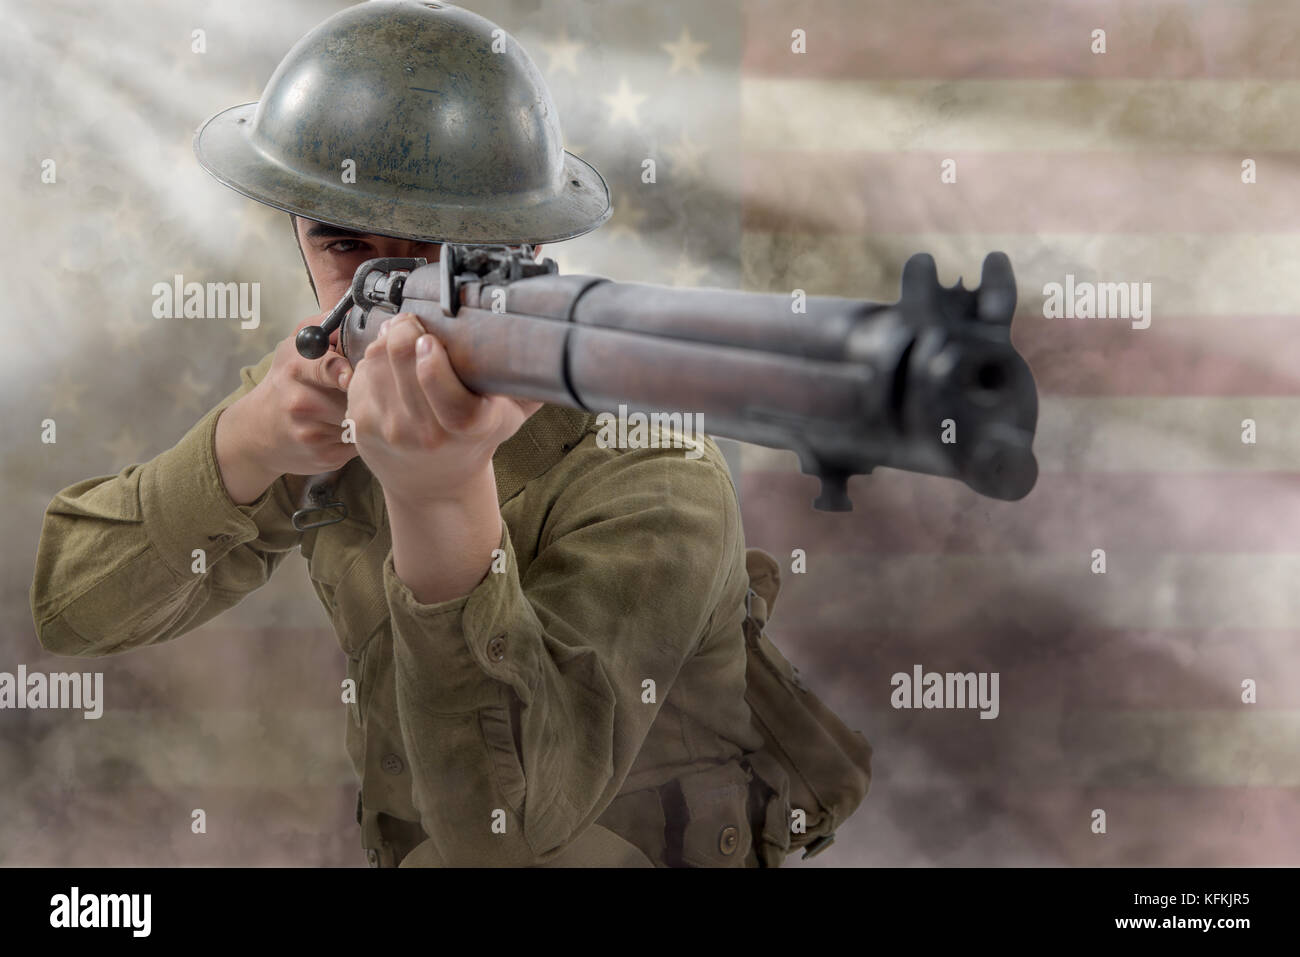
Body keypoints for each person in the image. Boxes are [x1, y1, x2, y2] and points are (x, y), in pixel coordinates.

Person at [30, 0, 773, 867]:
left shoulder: (654, 466)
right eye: (344, 244)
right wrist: (242, 447)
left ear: (522, 247)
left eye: (435, 251)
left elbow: (504, 831)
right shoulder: (324, 389)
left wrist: (439, 496)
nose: (387, 298)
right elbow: (70, 607)